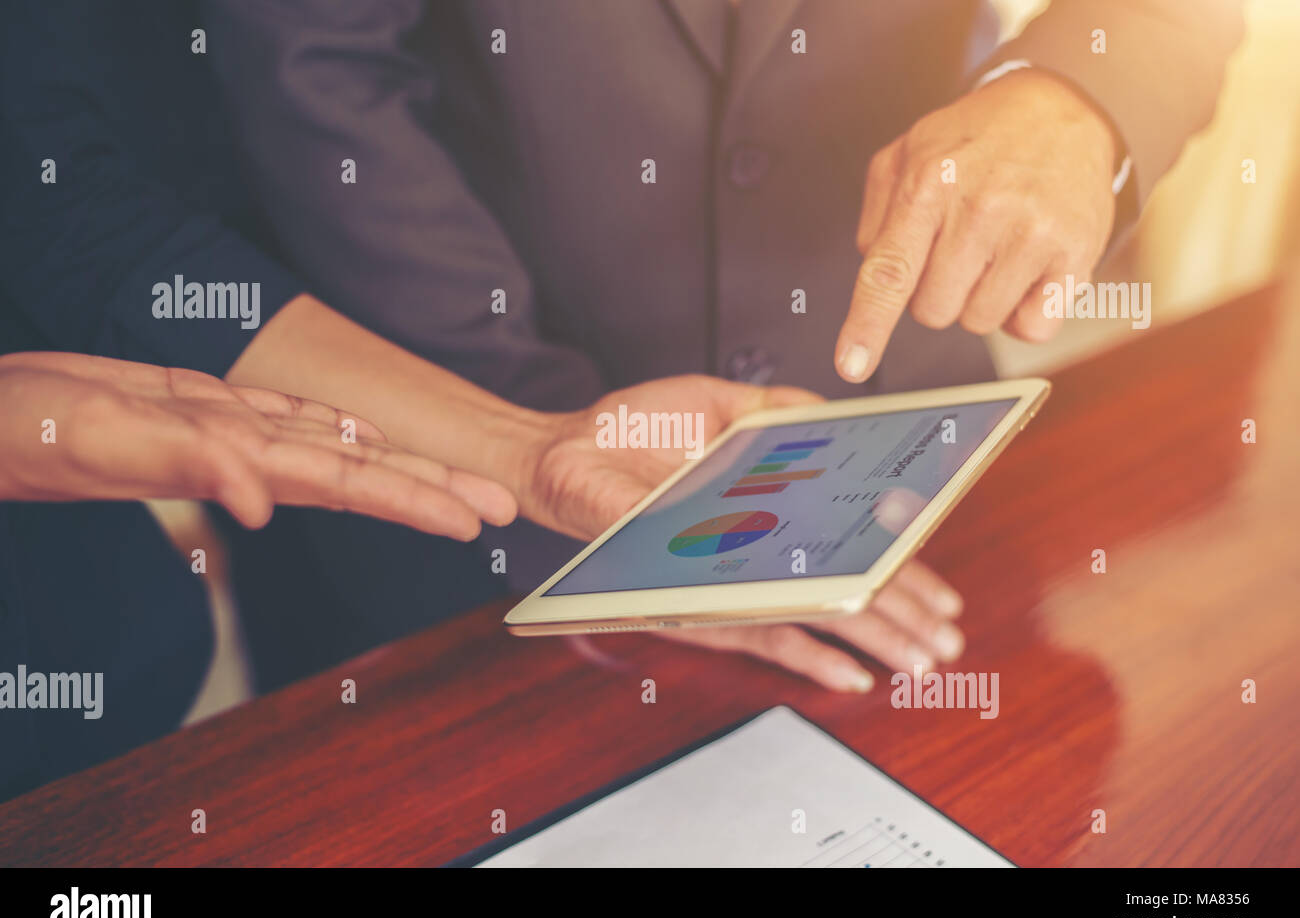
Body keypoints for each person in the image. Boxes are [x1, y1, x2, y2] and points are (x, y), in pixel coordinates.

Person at [198, 0, 1243, 673]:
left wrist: (1077, 94)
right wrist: (524, 443)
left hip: (898, 456)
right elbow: (310, 62)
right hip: (447, 496)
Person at [1, 0, 970, 706]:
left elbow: (68, 196)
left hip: (103, 662)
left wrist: (527, 451)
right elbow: (301, 77)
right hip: (302, 586)